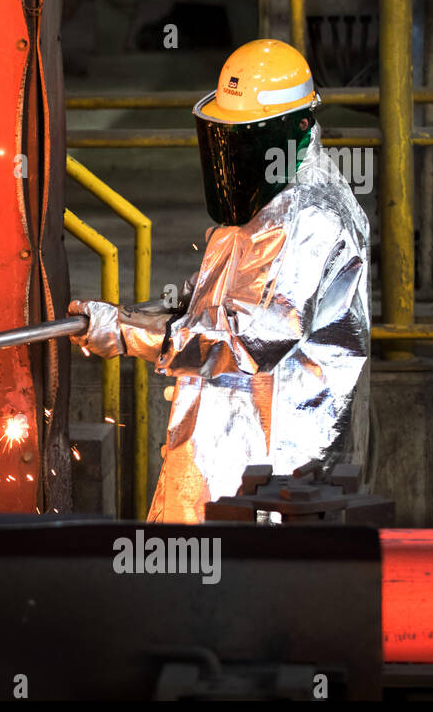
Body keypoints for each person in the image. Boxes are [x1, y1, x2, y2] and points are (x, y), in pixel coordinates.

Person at [69, 39, 370, 523]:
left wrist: (128, 334)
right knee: (191, 586)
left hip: (274, 464)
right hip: (222, 446)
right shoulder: (261, 200)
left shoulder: (312, 217)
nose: (233, 153)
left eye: (245, 138)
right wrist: (133, 317)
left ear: (295, 127)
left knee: (250, 589)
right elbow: (206, 310)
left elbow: (248, 339)